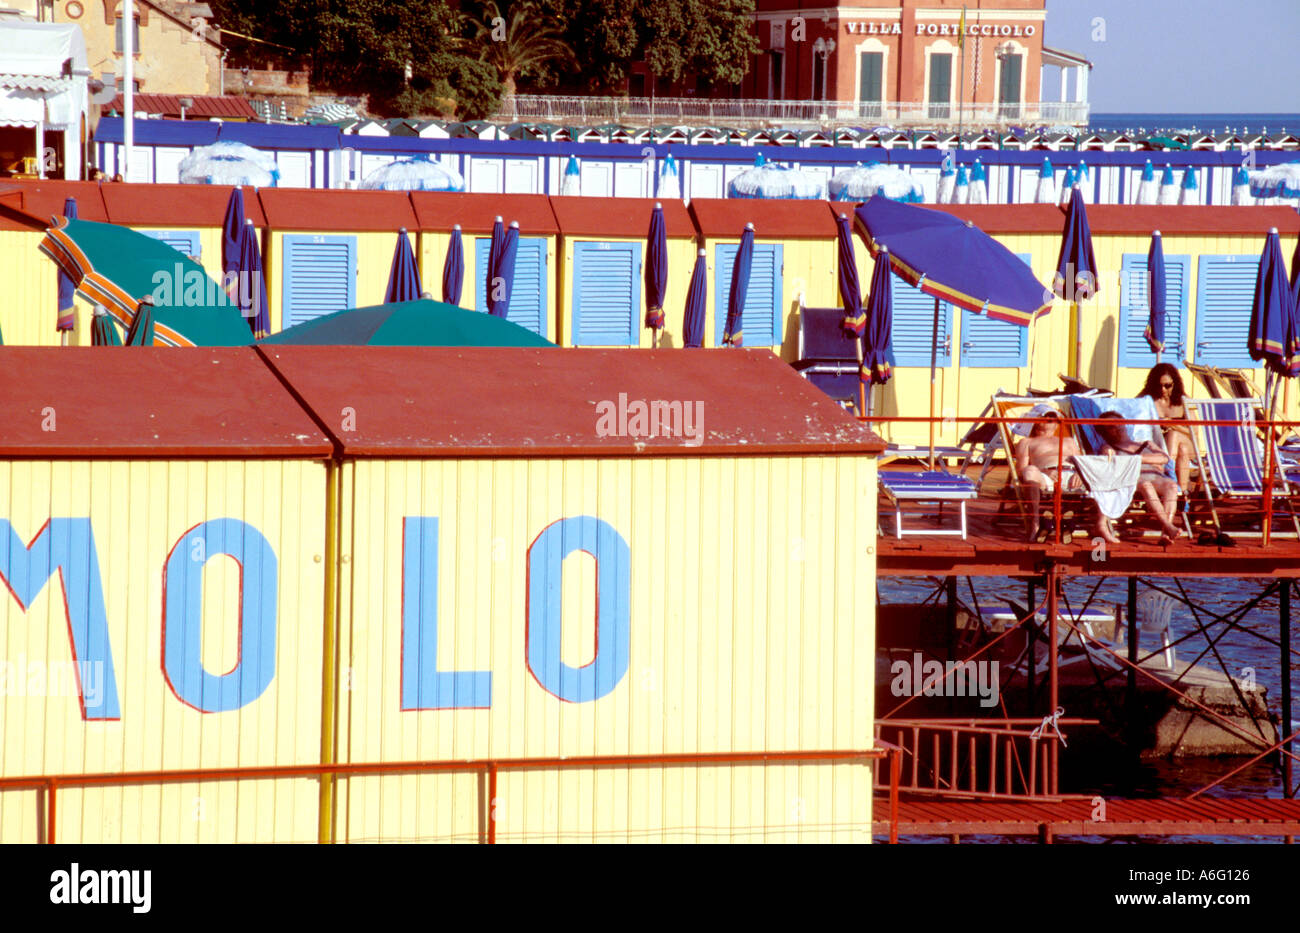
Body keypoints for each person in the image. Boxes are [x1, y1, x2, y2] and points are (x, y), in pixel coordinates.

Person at [1096, 411, 1184, 544]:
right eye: (1111, 427)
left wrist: (1137, 459)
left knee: (1171, 486)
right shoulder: (1108, 447)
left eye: (1119, 423)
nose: (1117, 427)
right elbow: (1112, 461)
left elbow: (1164, 458)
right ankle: (1168, 527)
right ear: (1105, 433)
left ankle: (1165, 535)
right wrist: (1150, 460)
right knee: (1146, 485)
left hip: (1155, 476)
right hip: (1134, 479)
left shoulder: (1146, 443)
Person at [1015, 408, 1082, 542]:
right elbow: (1021, 470)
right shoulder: (1026, 442)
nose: (1050, 419)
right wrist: (1044, 472)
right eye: (1045, 416)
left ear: (1057, 424)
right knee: (1029, 471)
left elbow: (1083, 462)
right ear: (1034, 421)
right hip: (1046, 476)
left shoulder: (1069, 441)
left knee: (1101, 472)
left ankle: (1097, 524)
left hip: (1073, 475)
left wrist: (1080, 474)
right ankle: (1036, 522)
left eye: (1053, 417)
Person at [1139, 362, 1192, 493]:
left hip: (1186, 442)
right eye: (1159, 385)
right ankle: (1182, 493)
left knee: (1174, 436)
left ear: (1175, 384)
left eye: (1167, 386)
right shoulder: (1147, 399)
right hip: (1159, 445)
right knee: (1183, 450)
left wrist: (1172, 425)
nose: (1163, 390)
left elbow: (1193, 433)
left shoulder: (1183, 401)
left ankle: (1169, 473)